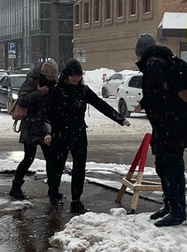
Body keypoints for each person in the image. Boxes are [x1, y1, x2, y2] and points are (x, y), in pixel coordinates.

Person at [46, 59, 131, 214]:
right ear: (66, 75)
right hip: (60, 134)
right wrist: (47, 132)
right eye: (72, 75)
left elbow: (100, 104)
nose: (75, 78)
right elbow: (47, 114)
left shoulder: (83, 90)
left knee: (79, 168)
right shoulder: (57, 91)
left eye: (78, 75)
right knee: (57, 166)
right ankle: (53, 192)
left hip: (78, 133)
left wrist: (119, 118)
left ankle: (76, 201)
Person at [135, 33, 187, 227]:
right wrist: (145, 103)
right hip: (172, 124)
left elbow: (160, 95)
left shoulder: (154, 65)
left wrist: (156, 112)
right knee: (163, 165)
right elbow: (162, 91)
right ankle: (170, 204)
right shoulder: (164, 61)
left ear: (141, 52)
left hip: (171, 126)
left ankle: (177, 210)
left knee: (172, 168)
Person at [8, 58, 58, 200]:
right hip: (30, 124)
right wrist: (39, 93)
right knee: (28, 158)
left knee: (51, 159)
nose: (51, 79)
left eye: (53, 77)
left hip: (45, 124)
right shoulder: (31, 81)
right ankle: (15, 187)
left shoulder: (53, 83)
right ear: (44, 74)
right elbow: (22, 100)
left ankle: (53, 190)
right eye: (49, 76)